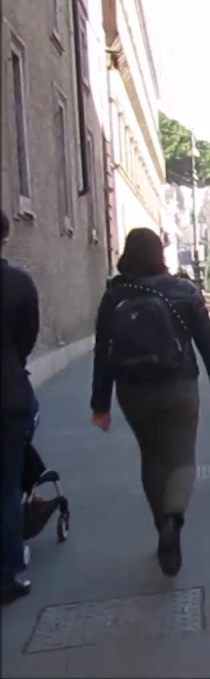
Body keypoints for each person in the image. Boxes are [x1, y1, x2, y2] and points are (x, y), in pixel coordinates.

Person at [90, 228, 210, 577]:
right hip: (179, 384)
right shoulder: (182, 290)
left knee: (151, 456)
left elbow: (103, 351)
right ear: (159, 254)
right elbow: (207, 339)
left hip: (132, 389)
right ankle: (174, 518)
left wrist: (100, 404)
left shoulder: (115, 295)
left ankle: (160, 525)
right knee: (181, 457)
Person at [1, 210, 40, 605]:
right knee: (7, 487)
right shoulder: (18, 283)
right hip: (9, 396)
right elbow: (28, 338)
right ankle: (8, 575)